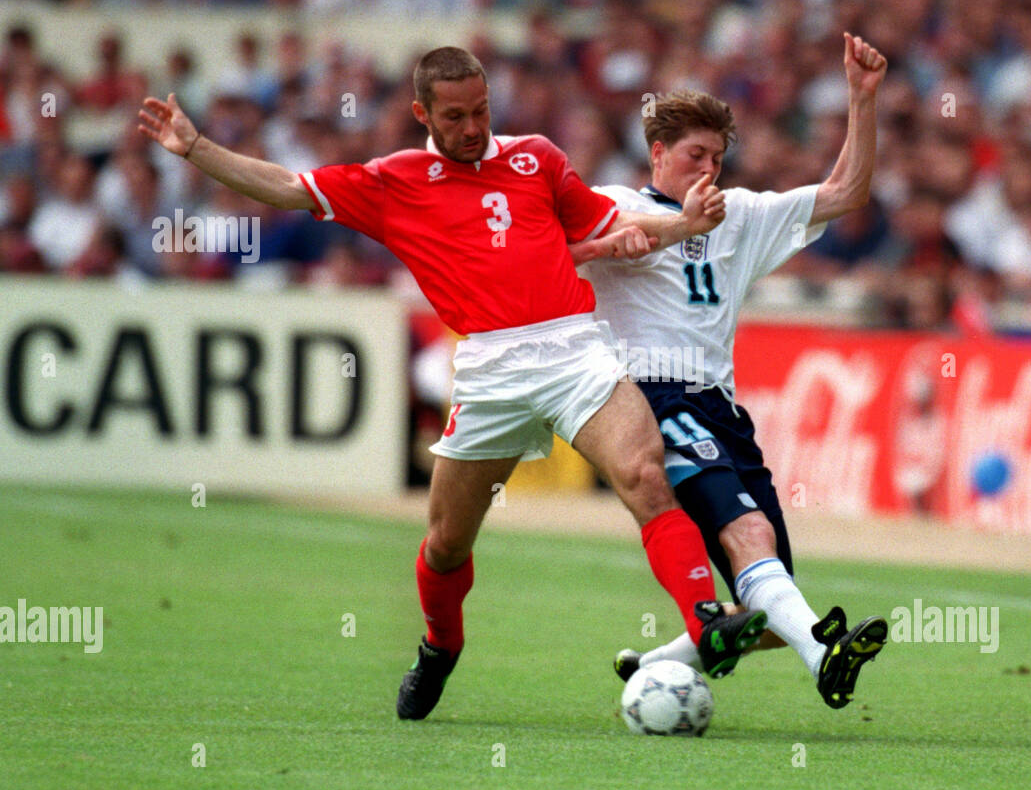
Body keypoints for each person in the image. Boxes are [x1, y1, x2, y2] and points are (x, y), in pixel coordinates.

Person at [137, 46, 768, 721]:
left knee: (645, 475)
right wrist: (198, 147)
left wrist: (679, 226)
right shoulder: (395, 180)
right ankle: (441, 644)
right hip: (491, 367)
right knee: (445, 543)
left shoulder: (536, 157)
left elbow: (606, 225)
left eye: (482, 110)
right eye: (457, 116)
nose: (473, 127)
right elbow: (289, 186)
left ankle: (706, 618)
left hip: (575, 348)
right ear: (423, 113)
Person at [571, 34, 889, 709]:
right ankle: (828, 659)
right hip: (651, 399)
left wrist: (862, 101)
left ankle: (649, 667)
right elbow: (560, 251)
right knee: (750, 537)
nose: (708, 169)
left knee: (772, 605)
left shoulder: (741, 215)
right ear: (657, 154)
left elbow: (846, 192)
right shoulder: (615, 204)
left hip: (721, 406)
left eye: (718, 157)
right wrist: (637, 236)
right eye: (694, 155)